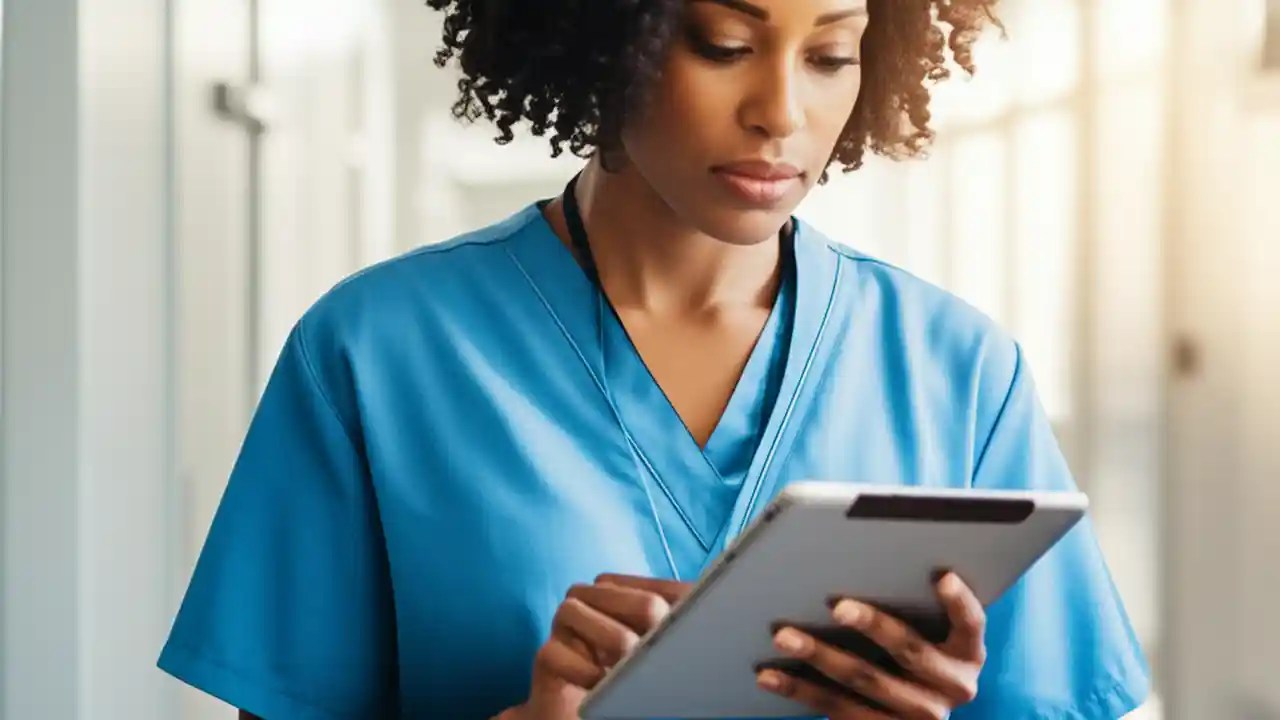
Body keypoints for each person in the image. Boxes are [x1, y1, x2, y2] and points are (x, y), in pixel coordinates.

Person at [158, 0, 1151, 718]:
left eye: (831, 53)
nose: (779, 111)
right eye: (723, 44)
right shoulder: (377, 352)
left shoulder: (957, 372)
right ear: (605, 37)